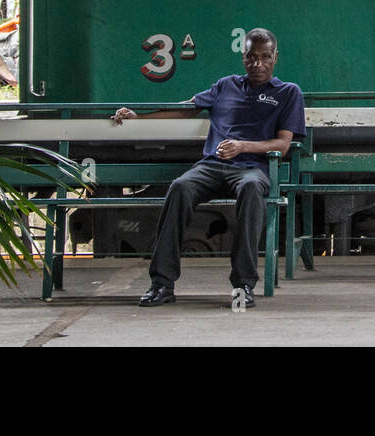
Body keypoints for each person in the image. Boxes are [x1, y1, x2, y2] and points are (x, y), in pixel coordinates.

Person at [110, 28, 305, 309]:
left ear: (275, 58)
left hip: (253, 168)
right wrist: (139, 118)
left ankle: (243, 286)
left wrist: (242, 146)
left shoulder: (288, 93)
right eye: (252, 57)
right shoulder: (226, 85)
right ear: (243, 57)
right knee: (179, 187)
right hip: (213, 165)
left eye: (265, 57)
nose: (258, 64)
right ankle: (162, 283)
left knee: (251, 189)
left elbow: (283, 144)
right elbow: (186, 108)